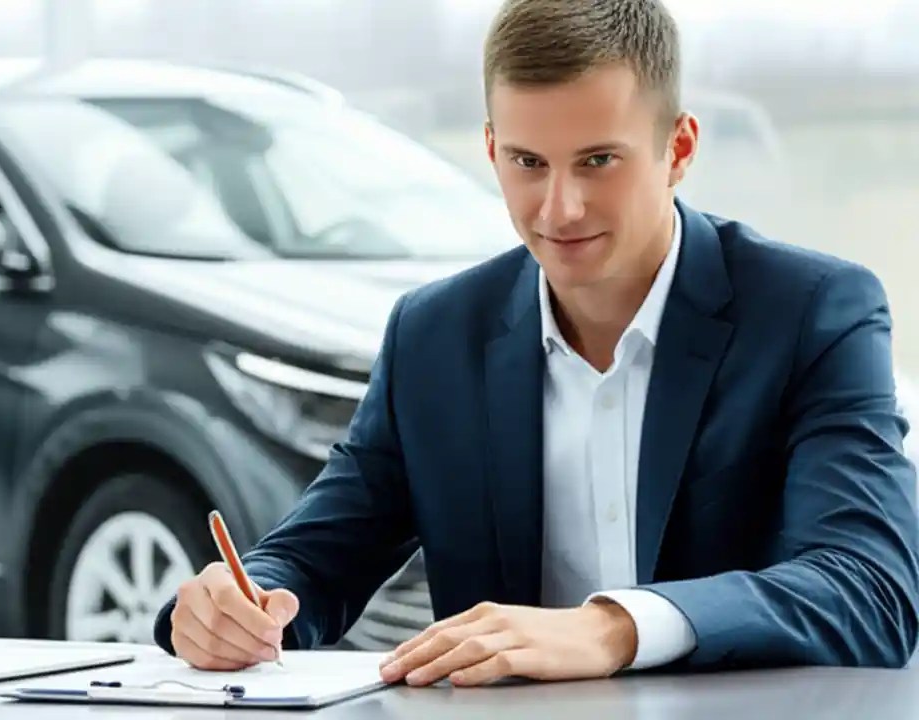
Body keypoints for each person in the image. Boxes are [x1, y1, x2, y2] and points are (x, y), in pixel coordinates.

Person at [153, 0, 919, 685]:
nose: (560, 207)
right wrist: (238, 606)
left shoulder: (812, 311)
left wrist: (614, 627)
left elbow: (870, 588)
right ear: (491, 150)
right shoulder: (434, 336)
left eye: (598, 161)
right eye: (528, 163)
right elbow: (316, 557)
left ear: (678, 149)